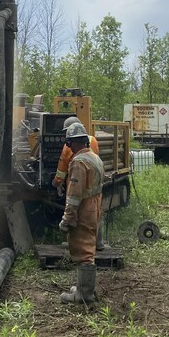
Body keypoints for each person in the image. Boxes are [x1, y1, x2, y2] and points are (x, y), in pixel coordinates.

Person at [58, 121, 104, 304]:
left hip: (84, 209)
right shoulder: (95, 158)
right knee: (89, 246)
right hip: (95, 207)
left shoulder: (79, 163)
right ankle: (83, 288)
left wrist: (68, 218)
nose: (68, 147)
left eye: (68, 143)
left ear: (73, 143)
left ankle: (84, 295)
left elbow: (74, 195)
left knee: (83, 251)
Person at [53, 116, 99, 196]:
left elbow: (62, 170)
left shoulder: (68, 146)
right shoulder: (93, 140)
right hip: (93, 183)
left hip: (76, 182)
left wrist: (56, 182)